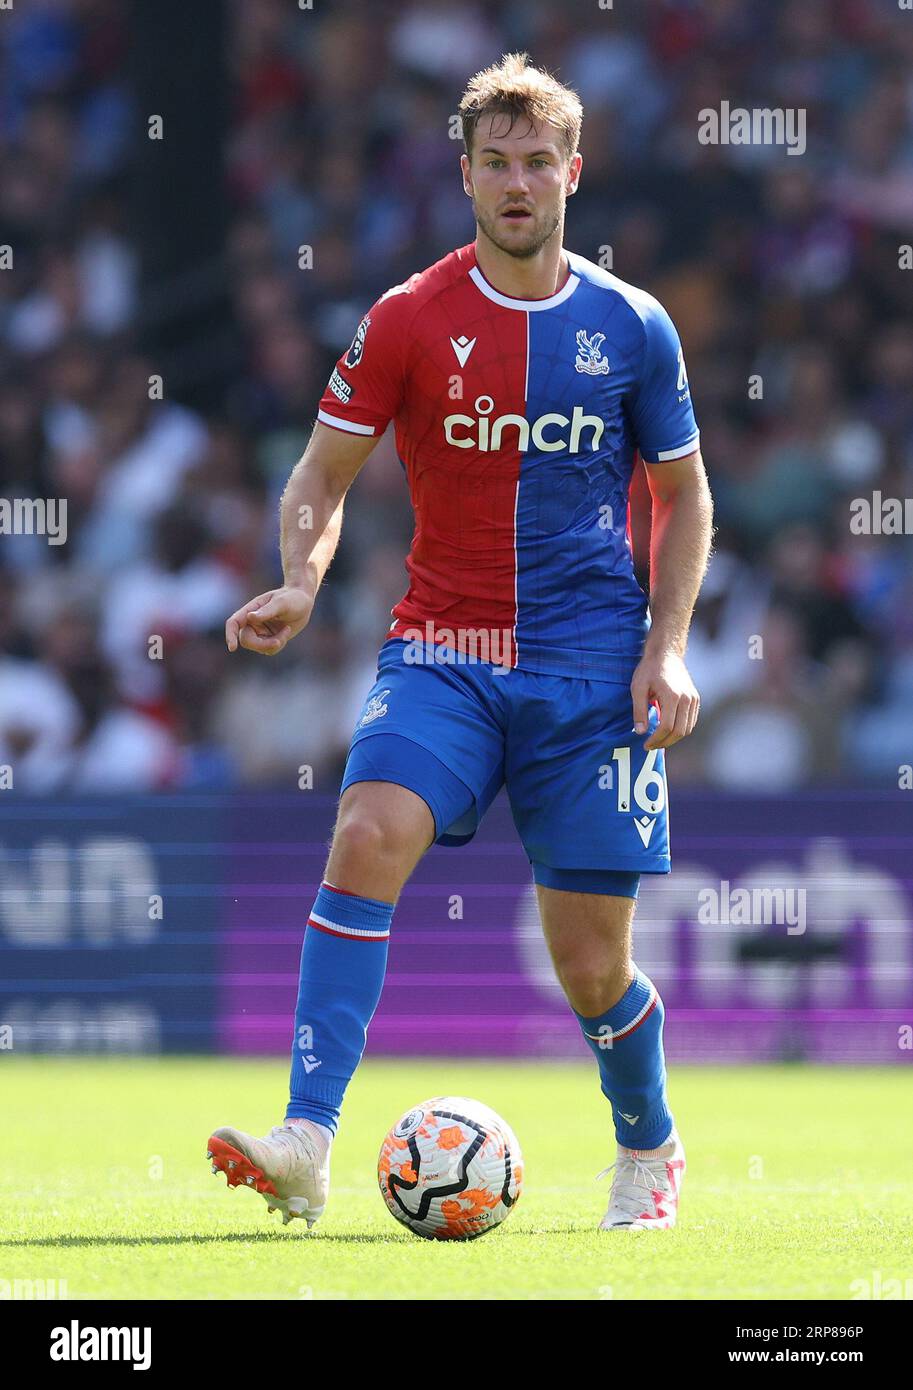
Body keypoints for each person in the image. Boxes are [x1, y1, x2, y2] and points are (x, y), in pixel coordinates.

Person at [209, 52, 713, 1232]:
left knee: (590, 967)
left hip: (592, 670)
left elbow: (683, 494)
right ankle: (306, 1139)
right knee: (364, 832)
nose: (517, 182)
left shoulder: (633, 326)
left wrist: (669, 646)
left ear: (572, 174)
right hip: (444, 648)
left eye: (537, 162)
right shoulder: (407, 317)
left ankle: (647, 1144)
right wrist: (299, 578)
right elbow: (320, 474)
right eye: (496, 162)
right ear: (467, 176)